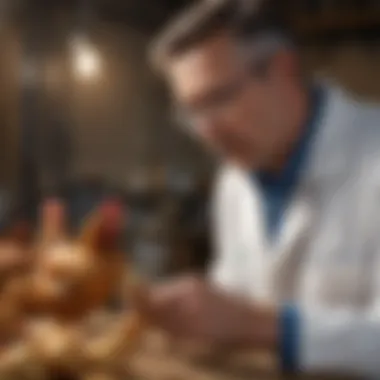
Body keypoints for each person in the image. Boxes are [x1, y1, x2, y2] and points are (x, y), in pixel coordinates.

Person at [140, 0, 380, 376]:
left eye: (217, 99)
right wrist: (200, 313)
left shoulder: (371, 158)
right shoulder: (234, 180)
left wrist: (266, 327)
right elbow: (232, 300)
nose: (206, 133)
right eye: (191, 113)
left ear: (282, 69)